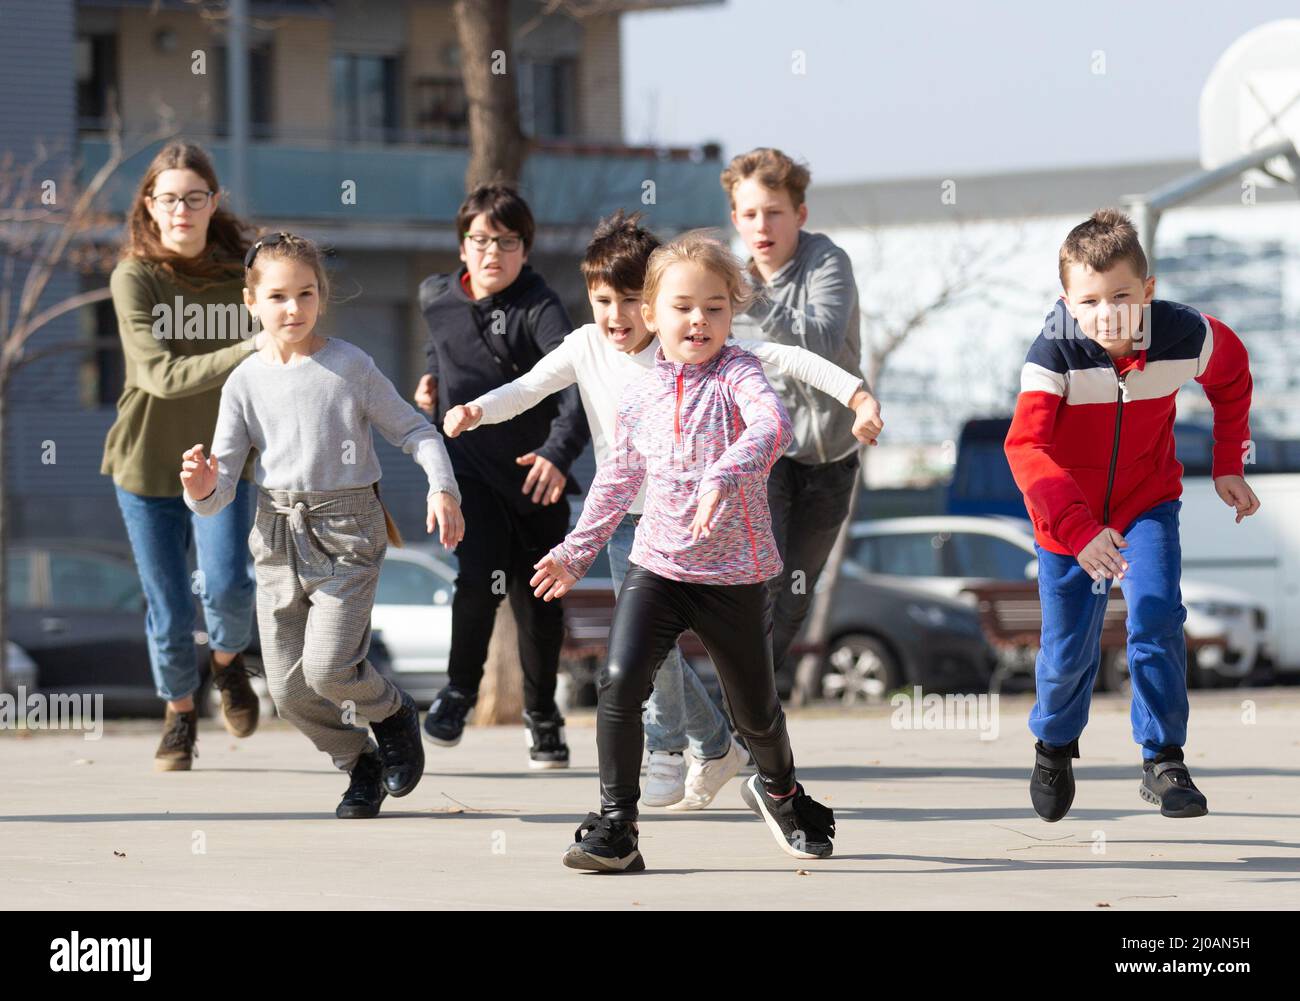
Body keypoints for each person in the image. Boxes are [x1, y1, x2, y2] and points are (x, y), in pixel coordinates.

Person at [445, 210, 880, 810]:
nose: (616, 317)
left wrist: (856, 395)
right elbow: (528, 389)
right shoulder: (587, 347)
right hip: (625, 518)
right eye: (603, 301)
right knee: (647, 650)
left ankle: (699, 748)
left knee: (676, 654)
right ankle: (684, 747)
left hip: (699, 523)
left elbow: (789, 361)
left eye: (629, 301)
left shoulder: (699, 350)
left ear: (651, 305)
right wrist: (477, 410)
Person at [532, 233, 836, 872]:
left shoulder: (739, 374)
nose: (699, 320)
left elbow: (771, 426)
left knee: (755, 713)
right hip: (658, 568)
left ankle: (781, 790)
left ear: (732, 313)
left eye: (716, 307)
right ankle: (618, 827)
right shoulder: (639, 394)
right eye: (683, 307)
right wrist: (574, 552)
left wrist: (726, 473)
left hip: (734, 576)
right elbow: (617, 481)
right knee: (619, 682)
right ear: (652, 314)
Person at [181, 232, 464, 819]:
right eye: (278, 296)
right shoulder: (244, 381)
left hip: (348, 531)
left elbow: (415, 430)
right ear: (250, 300)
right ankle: (357, 763)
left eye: (305, 294)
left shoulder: (349, 366)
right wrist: (201, 487)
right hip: (277, 534)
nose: (293, 309)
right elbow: (221, 489)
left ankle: (391, 712)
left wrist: (442, 486)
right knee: (288, 690)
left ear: (322, 295)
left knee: (328, 667)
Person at [1004, 208, 1260, 823]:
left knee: (1155, 617)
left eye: (1122, 295)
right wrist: (1078, 530)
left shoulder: (1185, 335)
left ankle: (1164, 758)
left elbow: (1232, 374)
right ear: (1067, 301)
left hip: (1147, 502)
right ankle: (1054, 744)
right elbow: (1026, 448)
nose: (1107, 314)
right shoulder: (1054, 356)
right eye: (1089, 301)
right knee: (1069, 648)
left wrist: (1229, 461)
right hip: (1068, 520)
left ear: (1148, 291)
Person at [102, 140, 268, 771]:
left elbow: (284, 333)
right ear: (150, 204)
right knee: (169, 606)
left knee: (228, 585)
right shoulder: (135, 276)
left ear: (212, 202)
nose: (181, 209)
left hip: (225, 463)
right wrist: (246, 348)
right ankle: (178, 717)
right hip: (145, 465)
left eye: (193, 197)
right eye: (168, 198)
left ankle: (226, 665)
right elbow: (160, 375)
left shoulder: (241, 277)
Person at [414, 183, 590, 768]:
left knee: (539, 606)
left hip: (537, 477)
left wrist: (558, 455)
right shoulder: (435, 295)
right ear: (463, 246)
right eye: (481, 240)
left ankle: (543, 717)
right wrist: (430, 379)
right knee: (477, 582)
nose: (493, 253)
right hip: (473, 476)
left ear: (525, 248)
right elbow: (441, 346)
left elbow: (575, 386)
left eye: (508, 242)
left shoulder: (539, 308)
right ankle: (457, 694)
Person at [723, 147, 877, 695]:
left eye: (774, 212)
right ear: (735, 218)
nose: (761, 226)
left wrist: (754, 296)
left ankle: (753, 702)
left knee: (794, 593)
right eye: (748, 214)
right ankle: (742, 709)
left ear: (800, 215)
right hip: (771, 454)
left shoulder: (826, 262)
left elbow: (821, 341)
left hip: (832, 457)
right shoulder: (726, 282)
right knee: (760, 583)